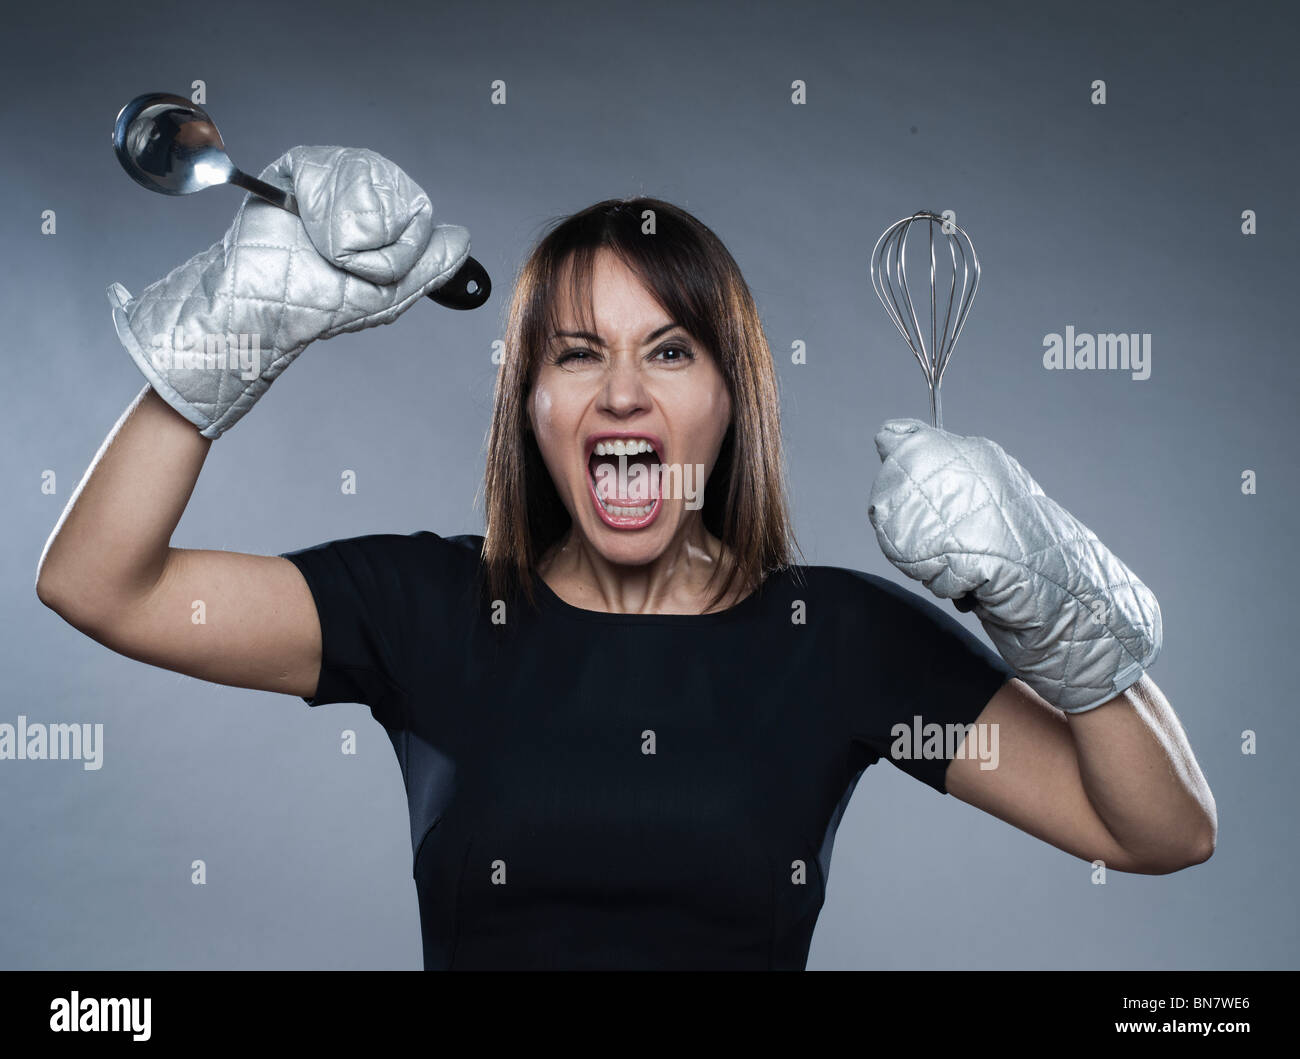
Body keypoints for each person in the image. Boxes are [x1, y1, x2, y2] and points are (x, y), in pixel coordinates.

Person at [36, 146, 1216, 970]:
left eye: (669, 351)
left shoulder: (842, 639)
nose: (620, 392)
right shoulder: (426, 608)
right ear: (531, 408)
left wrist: (1065, 615)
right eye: (576, 354)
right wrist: (228, 334)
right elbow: (101, 582)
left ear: (729, 401)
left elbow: (1157, 831)